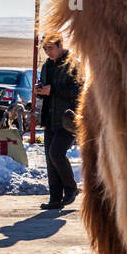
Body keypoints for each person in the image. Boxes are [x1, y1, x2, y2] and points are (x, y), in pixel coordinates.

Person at [35, 35, 81, 211]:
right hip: (50, 117)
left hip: (68, 118)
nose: (47, 52)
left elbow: (78, 90)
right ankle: (55, 197)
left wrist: (52, 90)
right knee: (49, 157)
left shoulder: (72, 64)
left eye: (50, 48)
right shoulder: (47, 65)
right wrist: (41, 90)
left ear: (60, 45)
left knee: (56, 153)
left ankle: (71, 189)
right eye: (45, 49)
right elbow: (47, 88)